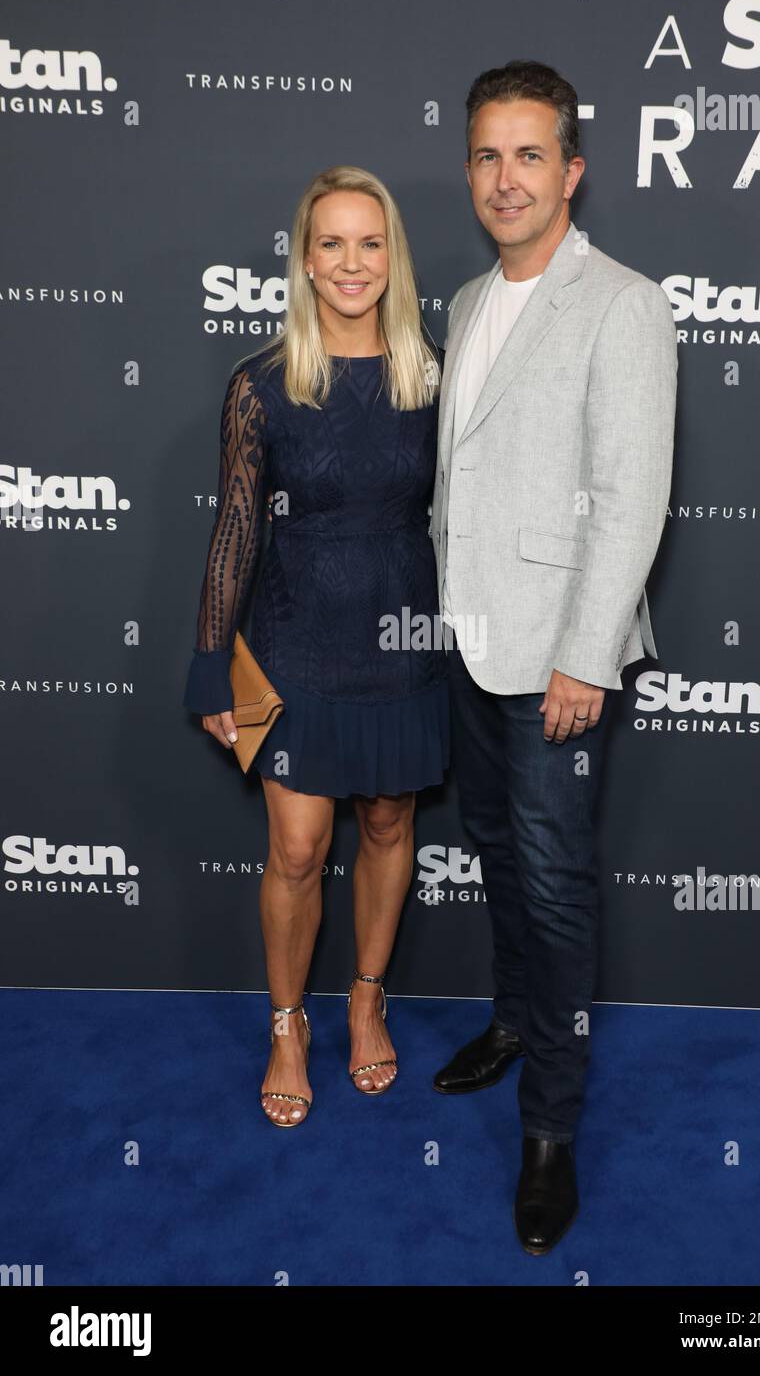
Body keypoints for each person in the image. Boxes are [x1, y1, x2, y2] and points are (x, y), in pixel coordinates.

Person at [430, 61, 677, 1253]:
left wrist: (584, 657)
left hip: (556, 662)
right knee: (493, 853)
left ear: (571, 170)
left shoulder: (622, 303)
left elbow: (631, 501)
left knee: (553, 880)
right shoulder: (470, 302)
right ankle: (518, 1019)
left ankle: (548, 1134)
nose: (505, 178)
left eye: (529, 155)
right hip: (470, 642)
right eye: (486, 155)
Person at [182, 166, 449, 1127]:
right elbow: (236, 531)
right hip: (292, 641)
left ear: (393, 256)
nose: (351, 263)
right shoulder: (261, 383)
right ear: (302, 259)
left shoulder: (434, 370)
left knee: (386, 826)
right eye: (330, 243)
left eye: (369, 243)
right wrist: (213, 662)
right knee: (297, 848)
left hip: (406, 639)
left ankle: (366, 998)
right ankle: (288, 1023)